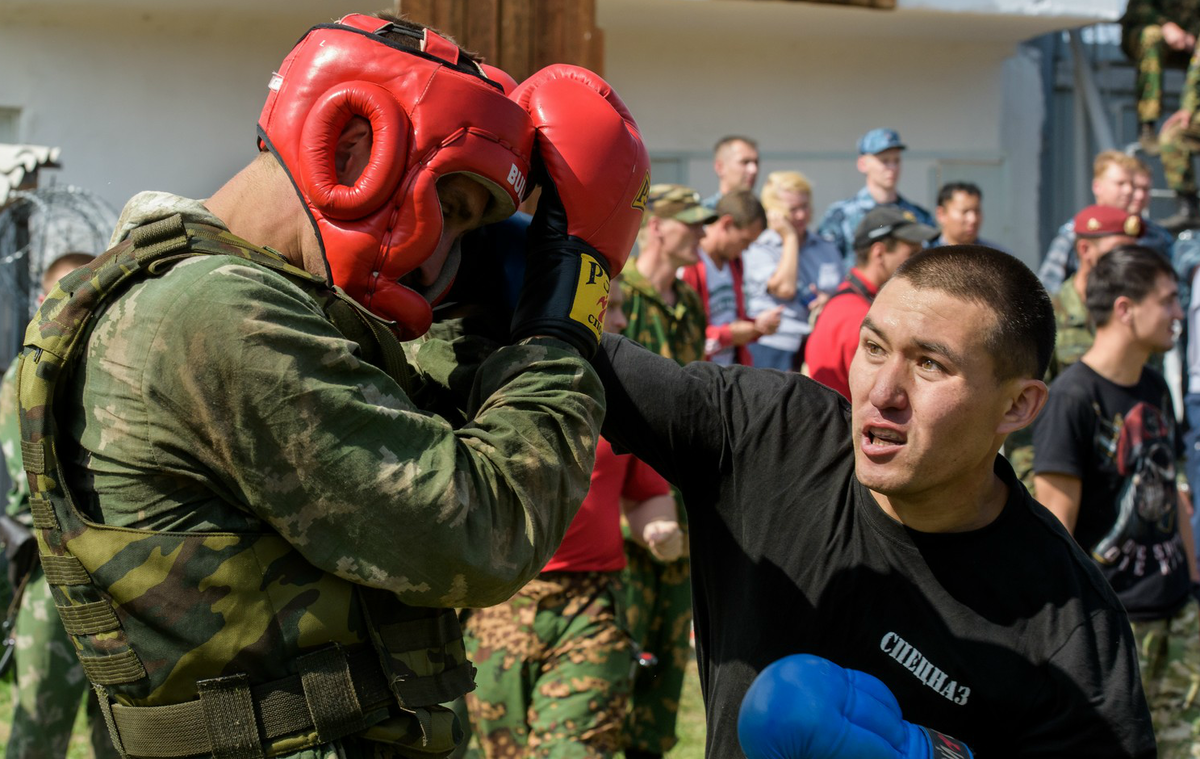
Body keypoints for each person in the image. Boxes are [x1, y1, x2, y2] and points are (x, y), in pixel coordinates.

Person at [13, 13, 648, 759]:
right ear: (354, 144)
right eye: (452, 209)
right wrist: (563, 321)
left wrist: (470, 314)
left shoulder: (167, 289)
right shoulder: (217, 314)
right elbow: (482, 530)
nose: (444, 252)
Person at [591, 245, 1154, 758]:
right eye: (873, 348)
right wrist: (526, 215)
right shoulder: (768, 435)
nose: (882, 393)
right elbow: (568, 351)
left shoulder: (1069, 625)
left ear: (1017, 407)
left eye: (930, 364)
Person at [462, 281, 683, 759]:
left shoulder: (619, 402)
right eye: (613, 309)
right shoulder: (489, 380)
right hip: (499, 602)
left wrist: (658, 528)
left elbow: (646, 494)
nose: (623, 321)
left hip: (589, 604)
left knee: (577, 750)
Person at [1032, 245, 1199, 758]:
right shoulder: (1072, 398)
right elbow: (1056, 530)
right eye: (1168, 300)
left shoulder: (1153, 384)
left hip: (1178, 613)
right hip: (1116, 625)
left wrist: (1193, 583)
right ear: (1126, 309)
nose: (1179, 313)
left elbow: (1171, 491)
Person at [0, 251, 119, 759]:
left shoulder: (110, 361)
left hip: (116, 576)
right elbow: (26, 478)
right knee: (39, 734)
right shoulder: (24, 373)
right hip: (56, 578)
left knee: (121, 733)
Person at [617, 185, 710, 759]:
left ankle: (651, 746)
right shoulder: (620, 293)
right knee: (625, 639)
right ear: (658, 227)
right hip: (629, 493)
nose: (700, 234)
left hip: (681, 491)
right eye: (691, 224)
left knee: (672, 642)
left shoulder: (689, 303)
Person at [1005, 205, 1145, 495]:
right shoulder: (1048, 315)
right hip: (1059, 482)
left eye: (1134, 253)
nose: (1130, 263)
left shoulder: (1136, 318)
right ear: (1085, 250)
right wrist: (1033, 490)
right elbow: (1022, 412)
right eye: (1119, 251)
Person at [805, 206, 936, 399]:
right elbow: (883, 396)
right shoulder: (861, 317)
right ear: (879, 253)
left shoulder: (850, 300)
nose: (921, 262)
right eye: (912, 253)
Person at [742, 170, 844, 371]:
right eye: (793, 209)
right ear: (773, 212)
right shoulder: (758, 248)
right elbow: (785, 289)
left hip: (818, 344)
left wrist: (830, 302)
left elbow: (845, 291)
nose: (801, 215)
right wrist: (789, 238)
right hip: (774, 348)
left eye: (805, 206)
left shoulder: (826, 247)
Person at [682, 190, 781, 366]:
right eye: (745, 241)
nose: (746, 249)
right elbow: (685, 337)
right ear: (726, 224)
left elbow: (731, 322)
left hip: (728, 373)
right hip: (700, 375)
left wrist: (757, 326)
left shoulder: (734, 262)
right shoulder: (689, 266)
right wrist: (729, 335)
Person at [816, 128, 935, 266]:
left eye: (896, 160)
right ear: (862, 164)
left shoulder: (918, 216)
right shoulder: (841, 215)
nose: (892, 167)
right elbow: (825, 263)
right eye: (884, 161)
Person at [1038, 150, 1141, 293]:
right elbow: (1048, 288)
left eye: (1132, 184)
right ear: (1097, 187)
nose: (1129, 190)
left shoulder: (1150, 232)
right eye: (1121, 183)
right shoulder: (1074, 233)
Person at [1121, 0, 1200, 154]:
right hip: (1148, 37)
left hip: (1188, 43)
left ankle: (1193, 115)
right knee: (1152, 36)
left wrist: (1192, 34)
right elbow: (1138, 9)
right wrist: (1165, 25)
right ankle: (1147, 125)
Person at [929, 181, 1005, 251]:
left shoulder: (995, 257)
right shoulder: (925, 255)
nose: (973, 219)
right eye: (964, 211)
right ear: (941, 214)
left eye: (977, 211)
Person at [703, 136, 760, 208]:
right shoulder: (703, 214)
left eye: (756, 162)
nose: (753, 170)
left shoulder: (764, 213)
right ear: (720, 167)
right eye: (745, 162)